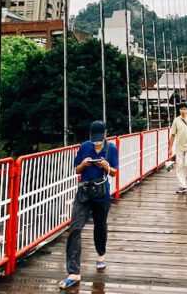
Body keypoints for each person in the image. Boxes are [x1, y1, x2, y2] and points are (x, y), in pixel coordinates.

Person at [58, 120, 118, 290]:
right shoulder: (84, 146)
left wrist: (106, 166)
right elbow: (77, 170)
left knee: (100, 225)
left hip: (101, 194)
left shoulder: (111, 149)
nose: (96, 142)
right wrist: (84, 164)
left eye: (99, 138)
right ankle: (74, 272)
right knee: (75, 228)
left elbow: (114, 172)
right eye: (94, 139)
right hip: (83, 193)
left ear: (105, 135)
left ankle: (101, 254)